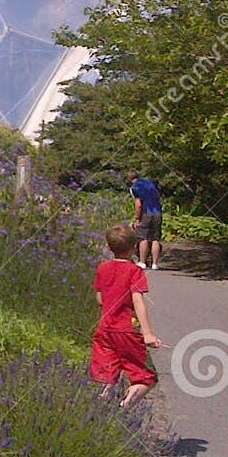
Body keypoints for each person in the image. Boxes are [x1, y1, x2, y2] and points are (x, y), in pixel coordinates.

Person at [90, 222, 164, 407]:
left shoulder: (102, 268)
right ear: (134, 247)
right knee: (146, 377)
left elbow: (100, 299)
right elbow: (138, 301)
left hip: (105, 328)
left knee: (109, 371)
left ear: (109, 247)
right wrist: (147, 334)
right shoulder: (134, 271)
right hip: (127, 329)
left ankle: (102, 402)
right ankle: (126, 404)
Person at [129, 172, 164, 269]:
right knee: (155, 239)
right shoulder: (150, 183)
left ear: (129, 179)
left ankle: (142, 262)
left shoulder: (134, 187)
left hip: (146, 213)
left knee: (143, 238)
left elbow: (138, 205)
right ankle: (155, 264)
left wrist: (136, 219)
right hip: (157, 212)